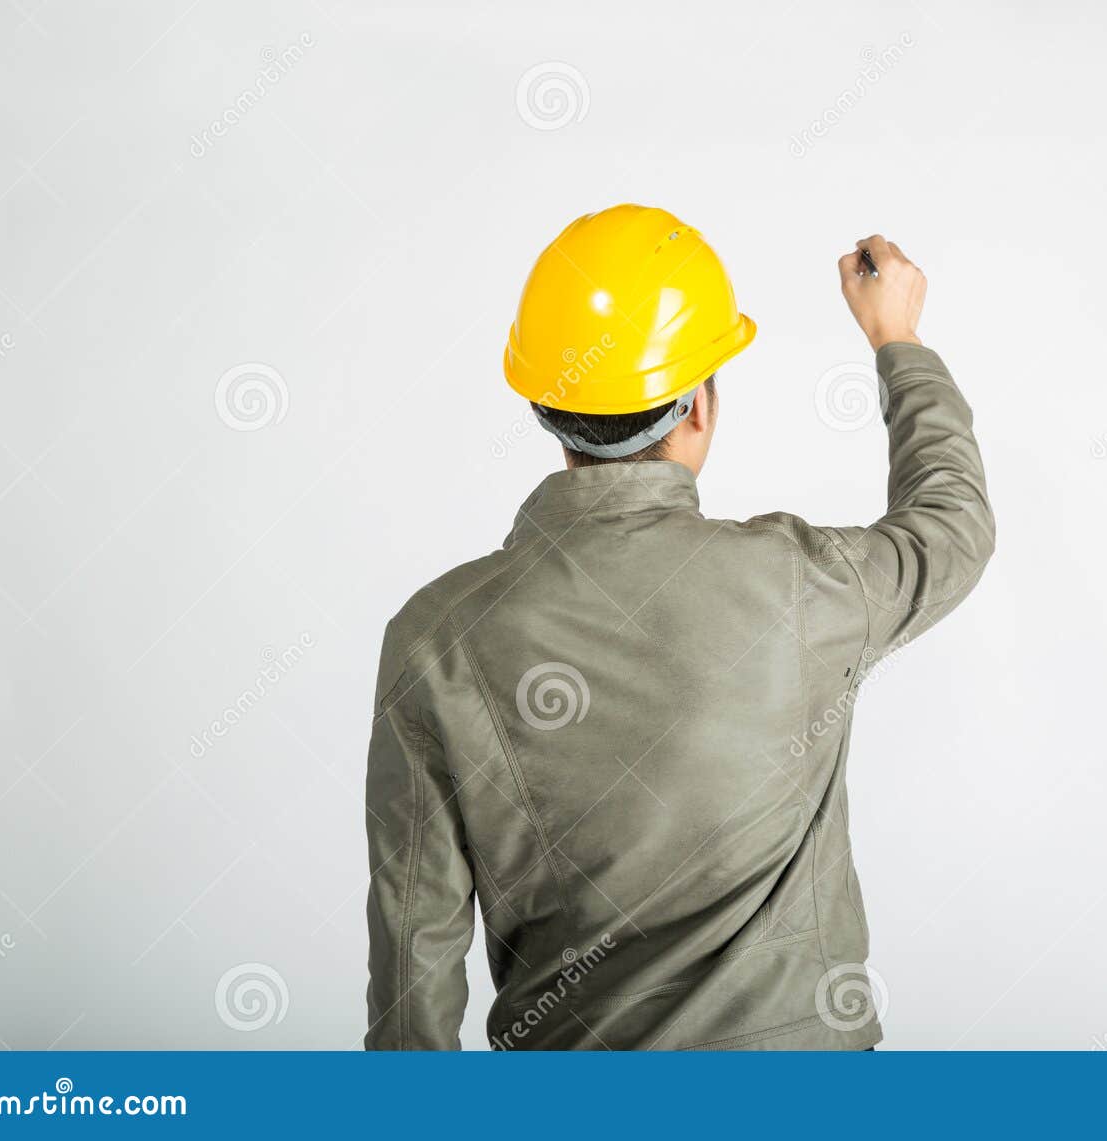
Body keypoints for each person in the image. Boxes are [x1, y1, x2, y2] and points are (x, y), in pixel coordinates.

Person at [364, 204, 994, 1050]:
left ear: (546, 409)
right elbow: (951, 528)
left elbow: (415, 962)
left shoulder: (434, 637)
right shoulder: (800, 582)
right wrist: (898, 340)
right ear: (701, 404)